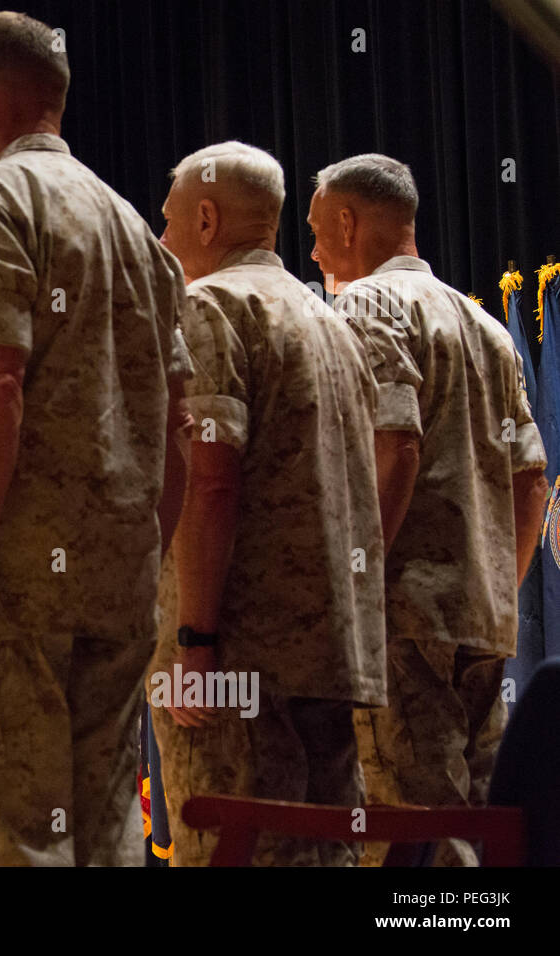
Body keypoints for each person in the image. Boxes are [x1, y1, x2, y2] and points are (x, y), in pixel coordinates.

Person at [0, 10, 191, 866]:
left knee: (1, 842)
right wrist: (141, 557)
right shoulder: (138, 233)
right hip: (113, 599)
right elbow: (179, 421)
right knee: (103, 838)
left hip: (4, 597)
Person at [152, 142, 386, 866]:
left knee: (232, 847)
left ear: (208, 218)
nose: (162, 240)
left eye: (169, 220)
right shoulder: (333, 326)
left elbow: (212, 479)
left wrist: (196, 641)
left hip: (237, 657)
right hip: (329, 653)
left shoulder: (210, 307)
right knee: (322, 855)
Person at [311, 153, 549, 865]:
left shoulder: (363, 305)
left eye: (321, 232)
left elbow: (397, 445)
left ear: (350, 222)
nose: (317, 251)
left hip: (401, 619)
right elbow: (531, 479)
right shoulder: (488, 331)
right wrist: (497, 585)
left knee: (410, 831)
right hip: (479, 617)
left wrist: (359, 582)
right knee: (477, 825)